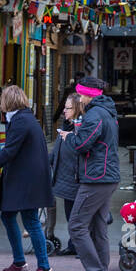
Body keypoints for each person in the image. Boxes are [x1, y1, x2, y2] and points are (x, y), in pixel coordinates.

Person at [0, 85, 55, 271]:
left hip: (27, 179)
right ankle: (19, 263)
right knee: (8, 215)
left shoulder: (20, 122)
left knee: (31, 221)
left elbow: (9, 151)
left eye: (1, 100)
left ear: (7, 102)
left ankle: (44, 268)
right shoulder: (24, 119)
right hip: (26, 177)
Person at [64, 76, 120, 271]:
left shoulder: (95, 114)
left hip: (97, 178)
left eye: (79, 94)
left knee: (77, 225)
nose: (77, 97)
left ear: (86, 94)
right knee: (98, 229)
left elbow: (81, 145)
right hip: (105, 177)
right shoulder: (105, 112)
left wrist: (69, 137)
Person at [49, 92, 84, 256]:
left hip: (75, 178)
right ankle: (74, 245)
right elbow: (58, 151)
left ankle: (81, 247)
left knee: (77, 216)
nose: (64, 111)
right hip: (67, 177)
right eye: (64, 107)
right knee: (71, 214)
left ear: (77, 109)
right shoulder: (66, 126)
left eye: (68, 108)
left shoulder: (80, 129)